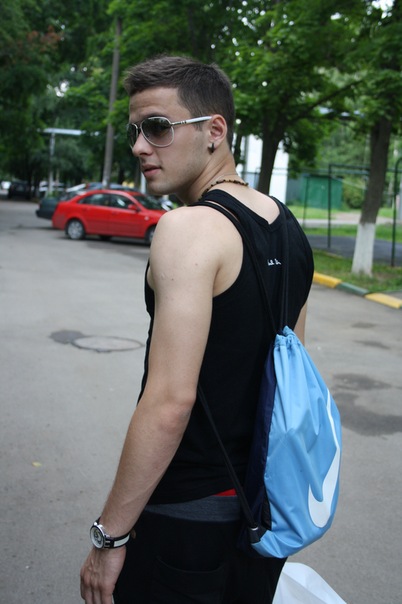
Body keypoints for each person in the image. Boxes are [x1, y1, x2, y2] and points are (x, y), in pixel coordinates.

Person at [80, 55, 314, 604]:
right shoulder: (288, 227)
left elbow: (170, 402)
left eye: (158, 127)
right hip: (261, 513)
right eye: (135, 131)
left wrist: (109, 536)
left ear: (214, 131)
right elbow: (290, 375)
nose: (140, 146)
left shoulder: (187, 229)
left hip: (186, 519)